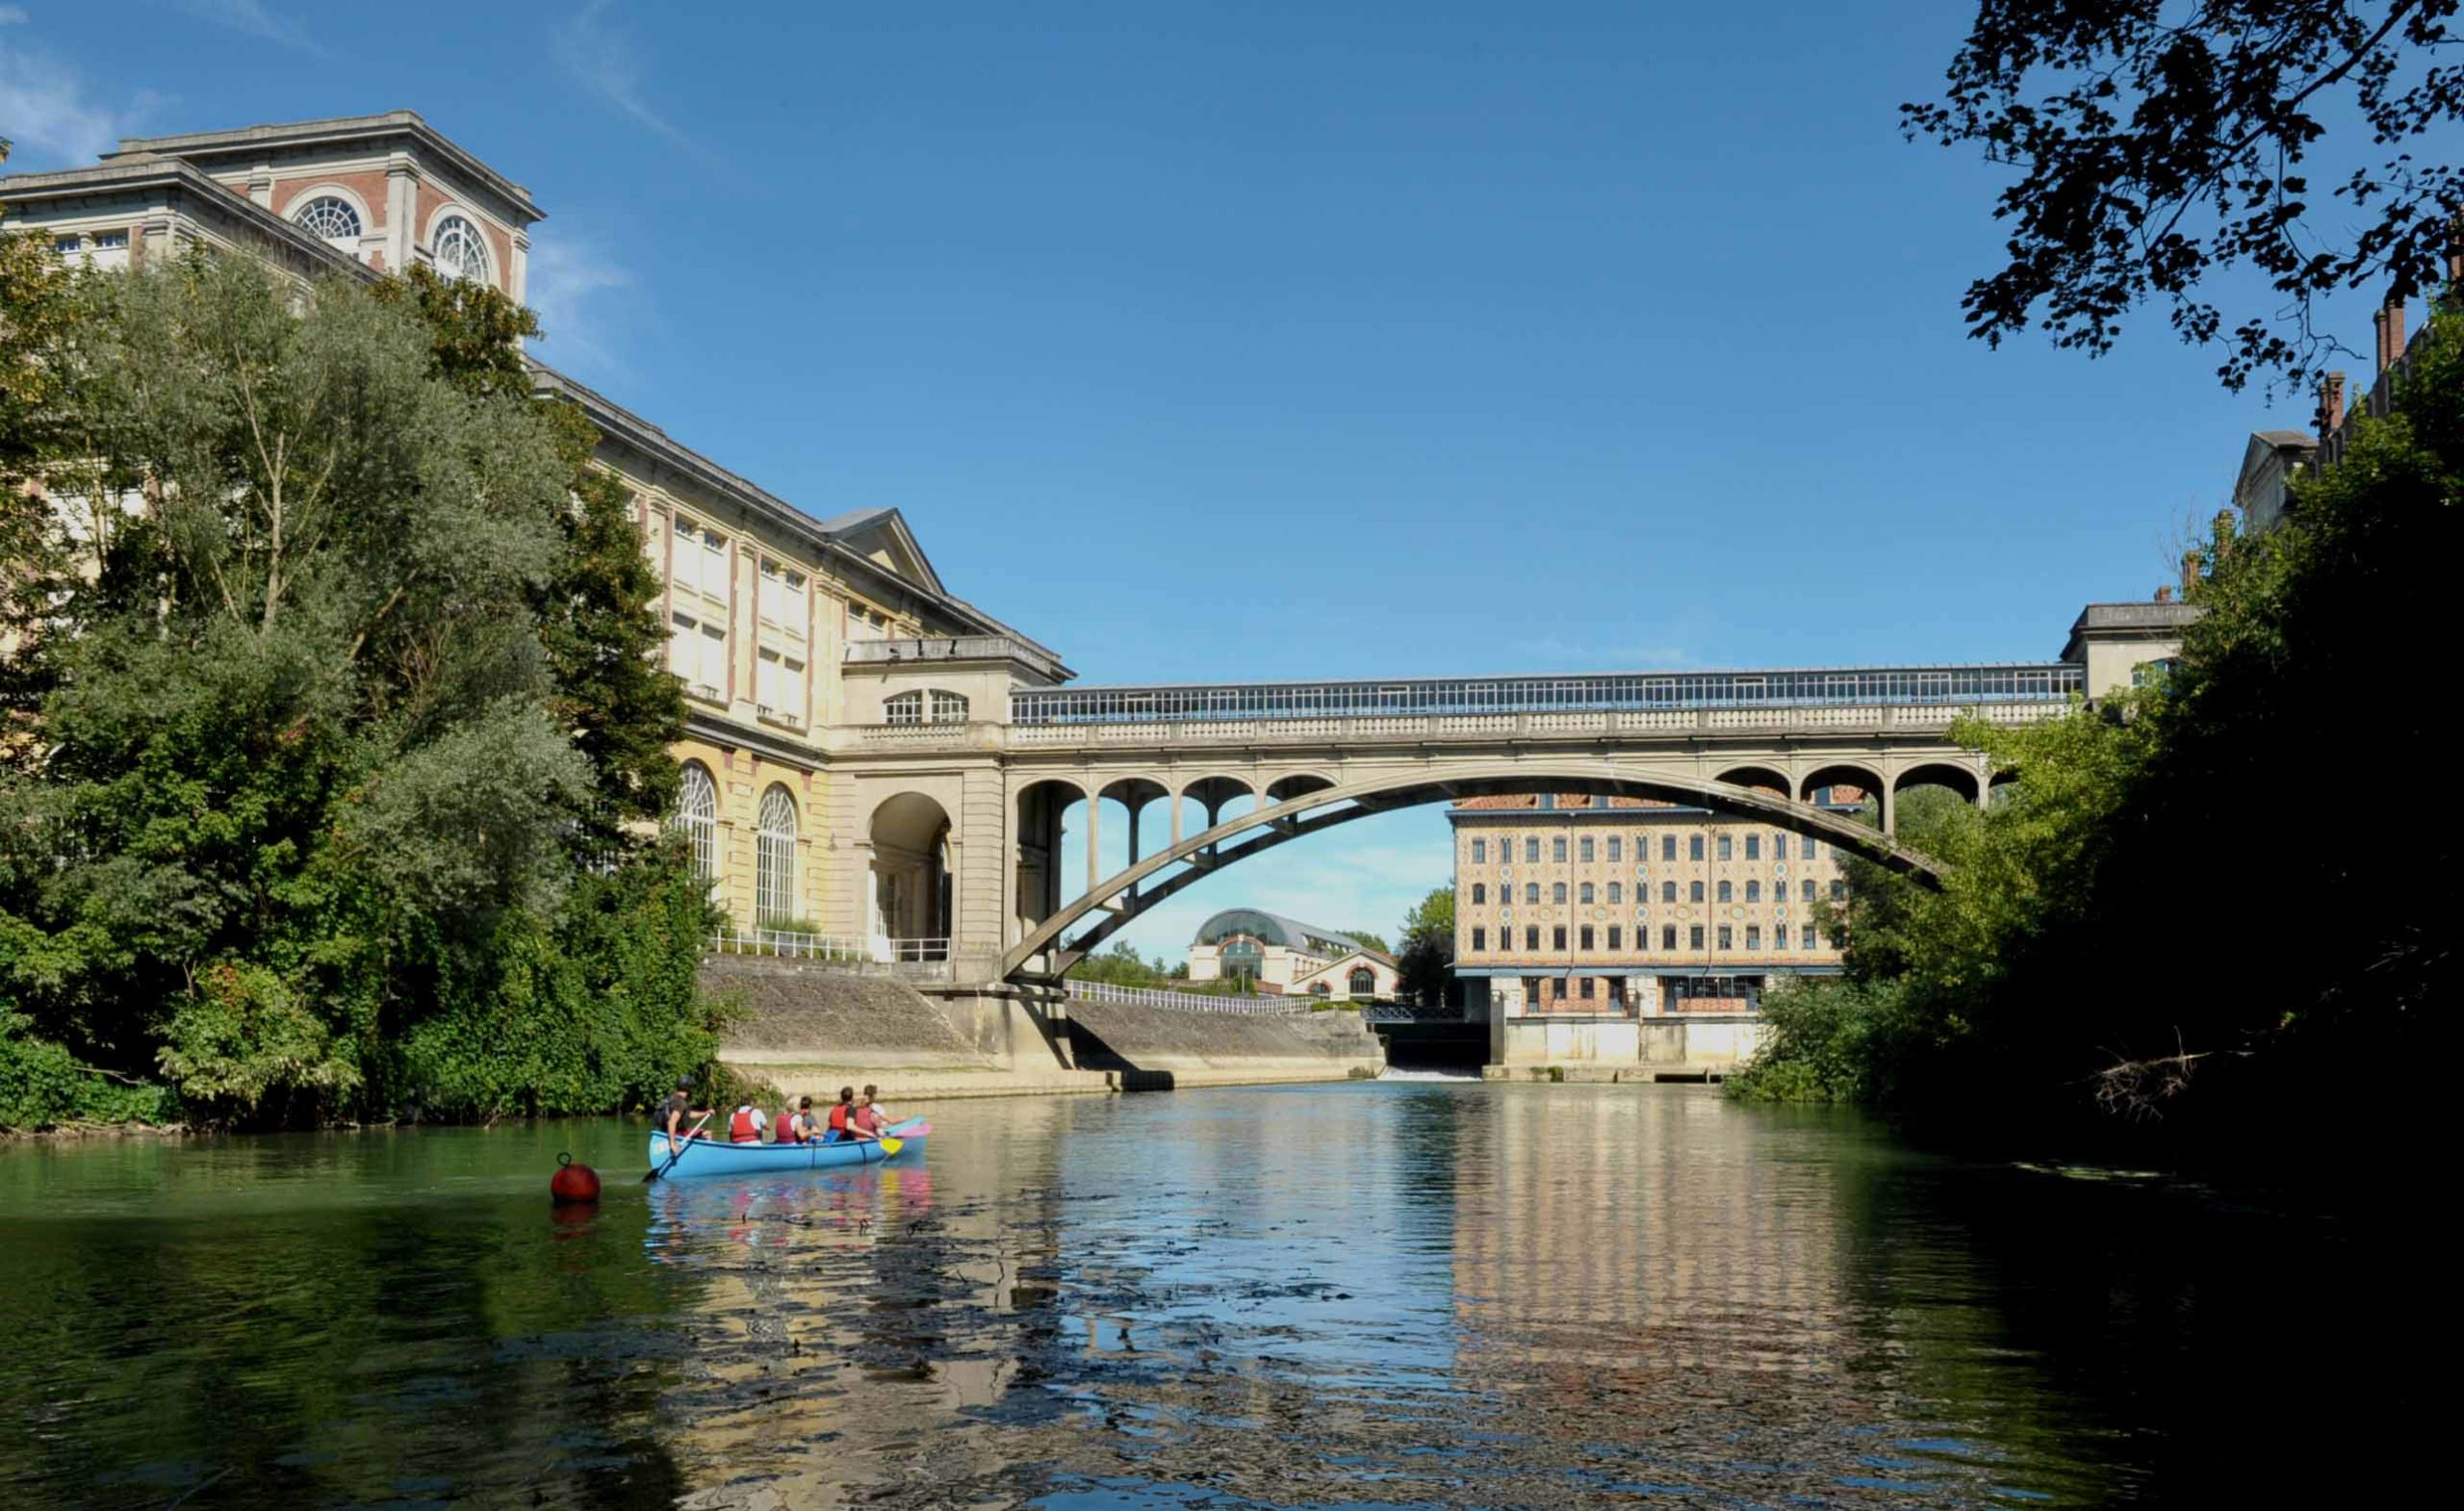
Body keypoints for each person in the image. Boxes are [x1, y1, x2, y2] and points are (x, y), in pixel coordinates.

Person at [660, 1078, 709, 1159]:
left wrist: (705, 1113)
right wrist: (672, 1144)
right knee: (707, 1134)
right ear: (688, 1089)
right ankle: (705, 1159)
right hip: (677, 1134)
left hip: (666, 1132)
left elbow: (689, 1114)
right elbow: (671, 1122)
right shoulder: (681, 1103)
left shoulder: (672, 1098)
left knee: (704, 1133)